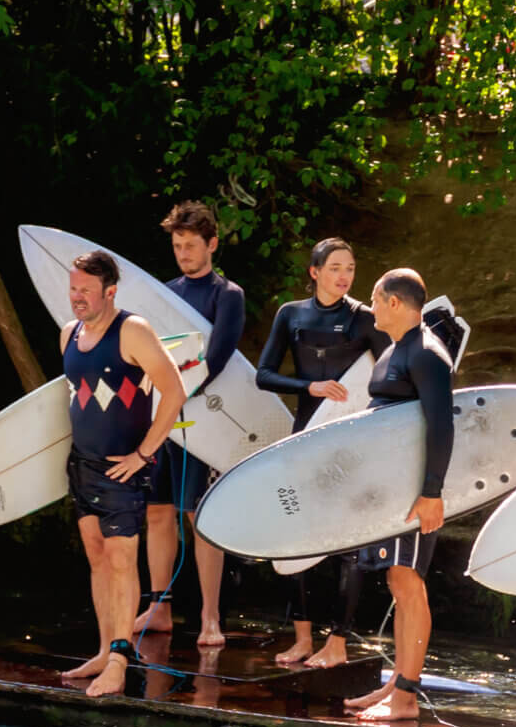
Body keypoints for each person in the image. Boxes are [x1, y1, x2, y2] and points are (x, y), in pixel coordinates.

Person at [255, 237, 391, 667]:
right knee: (296, 536)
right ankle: (301, 639)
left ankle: (337, 642)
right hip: (304, 436)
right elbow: (263, 374)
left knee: (347, 544)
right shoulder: (291, 315)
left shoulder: (366, 320)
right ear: (314, 272)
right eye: (334, 267)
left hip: (349, 444)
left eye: (349, 268)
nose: (344, 275)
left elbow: (392, 377)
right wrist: (307, 387)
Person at [58, 250, 188, 697]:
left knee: (121, 559)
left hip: (123, 468)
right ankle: (102, 649)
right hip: (83, 465)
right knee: (97, 557)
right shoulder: (68, 336)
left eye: (86, 292)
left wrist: (144, 455)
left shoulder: (132, 330)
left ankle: (119, 657)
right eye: (73, 289)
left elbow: (174, 392)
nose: (77, 298)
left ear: (110, 292)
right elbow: (75, 398)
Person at [343, 269, 454, 722]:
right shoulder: (395, 351)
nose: (369, 307)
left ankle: (406, 696)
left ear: (394, 302)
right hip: (388, 489)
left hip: (412, 490)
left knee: (409, 583)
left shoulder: (427, 354)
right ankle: (395, 682)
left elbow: (442, 425)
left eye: (373, 297)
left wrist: (432, 492)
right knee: (396, 581)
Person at [136, 201, 244, 647]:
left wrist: (182, 390)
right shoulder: (163, 292)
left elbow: (216, 356)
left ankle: (210, 616)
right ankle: (159, 606)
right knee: (158, 512)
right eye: (177, 245)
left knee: (201, 517)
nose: (183, 253)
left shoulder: (228, 295)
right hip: (165, 417)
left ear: (212, 244)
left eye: (191, 245)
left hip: (206, 419)